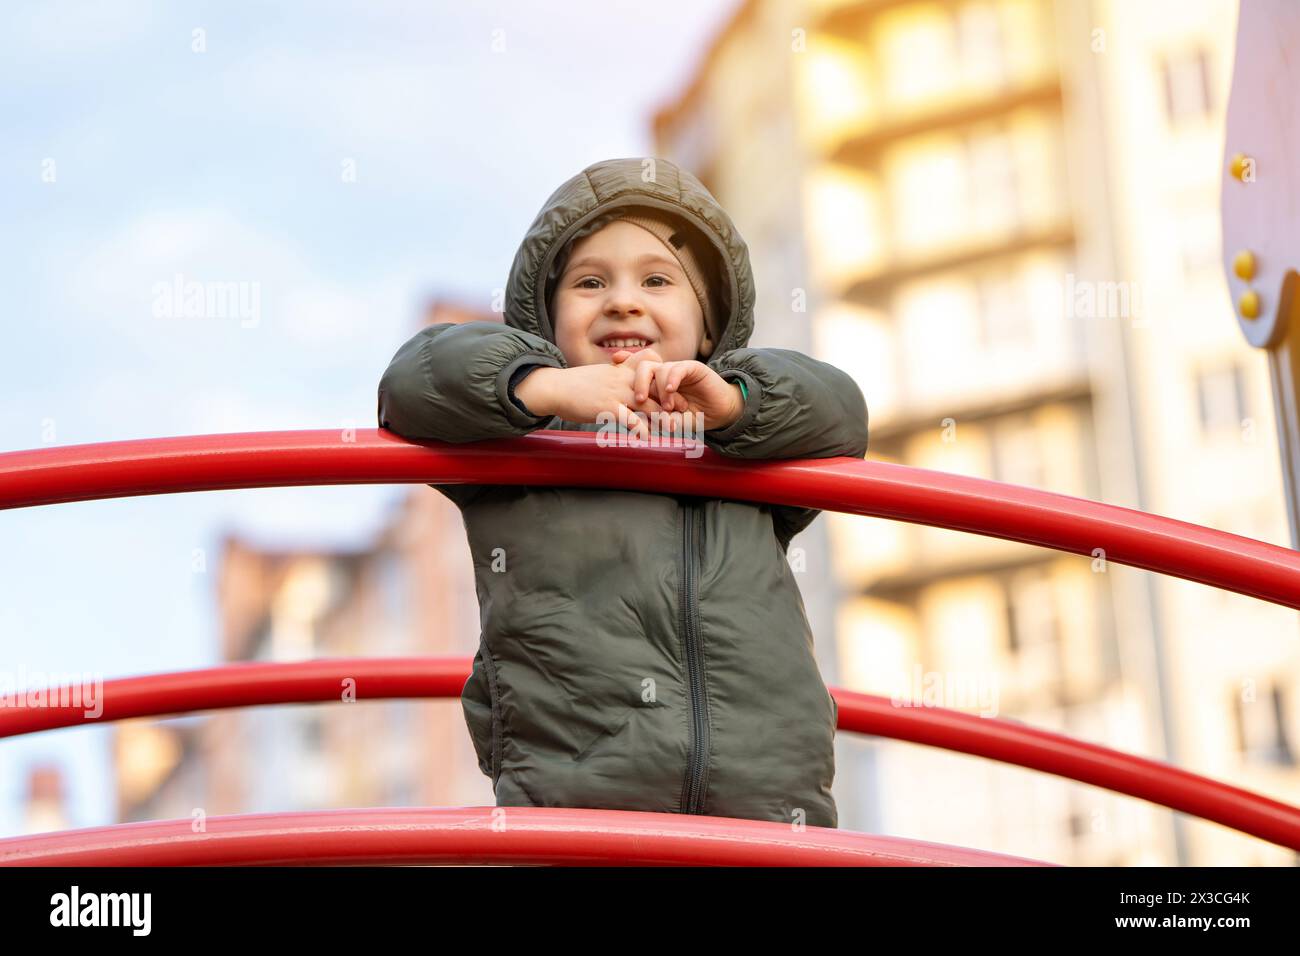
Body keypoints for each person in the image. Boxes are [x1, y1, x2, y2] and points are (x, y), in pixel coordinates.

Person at [376, 156, 868, 828]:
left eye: (657, 278)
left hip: (767, 821)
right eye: (589, 282)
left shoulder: (739, 442)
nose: (623, 300)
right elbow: (414, 383)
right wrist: (540, 388)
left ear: (707, 324)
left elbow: (840, 413)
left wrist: (732, 406)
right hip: (579, 822)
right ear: (546, 328)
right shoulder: (521, 447)